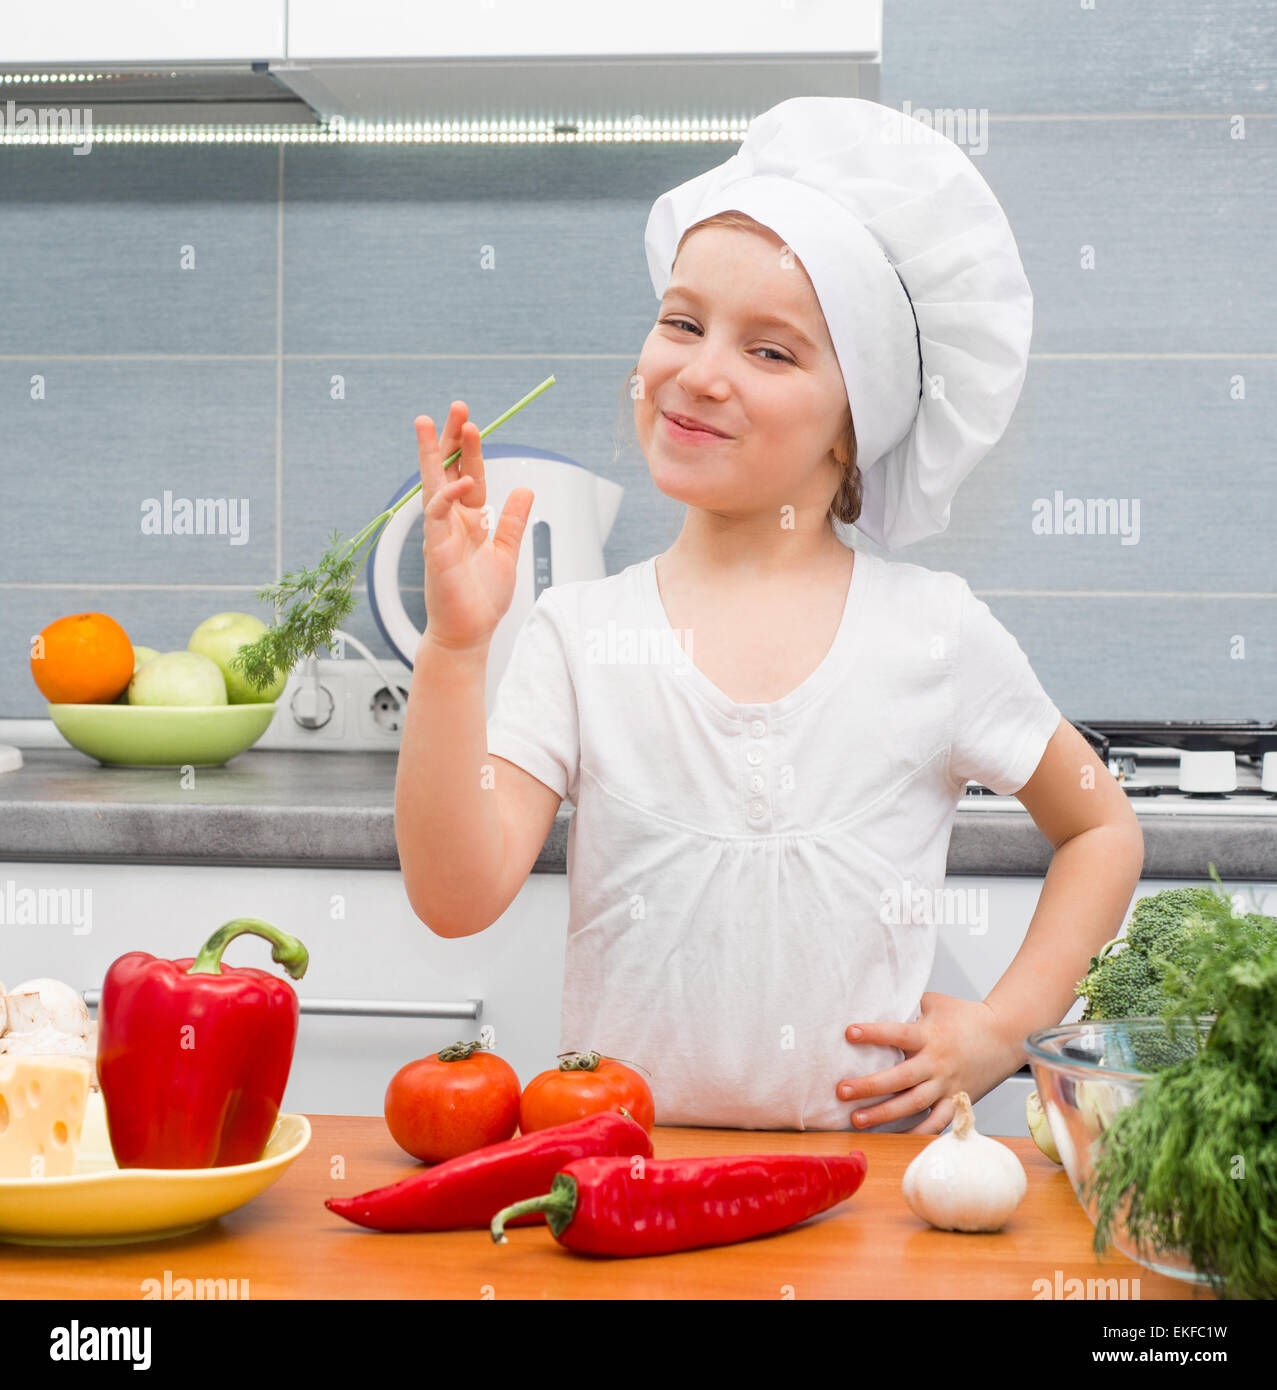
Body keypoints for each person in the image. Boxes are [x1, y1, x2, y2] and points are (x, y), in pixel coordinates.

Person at [397, 98, 1144, 1132]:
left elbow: (1099, 824)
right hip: (621, 1186)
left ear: (855, 426)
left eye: (772, 352)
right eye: (681, 321)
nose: (700, 372)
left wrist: (1002, 1030)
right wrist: (455, 647)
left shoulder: (933, 630)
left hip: (865, 1199)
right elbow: (454, 893)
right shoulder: (579, 634)